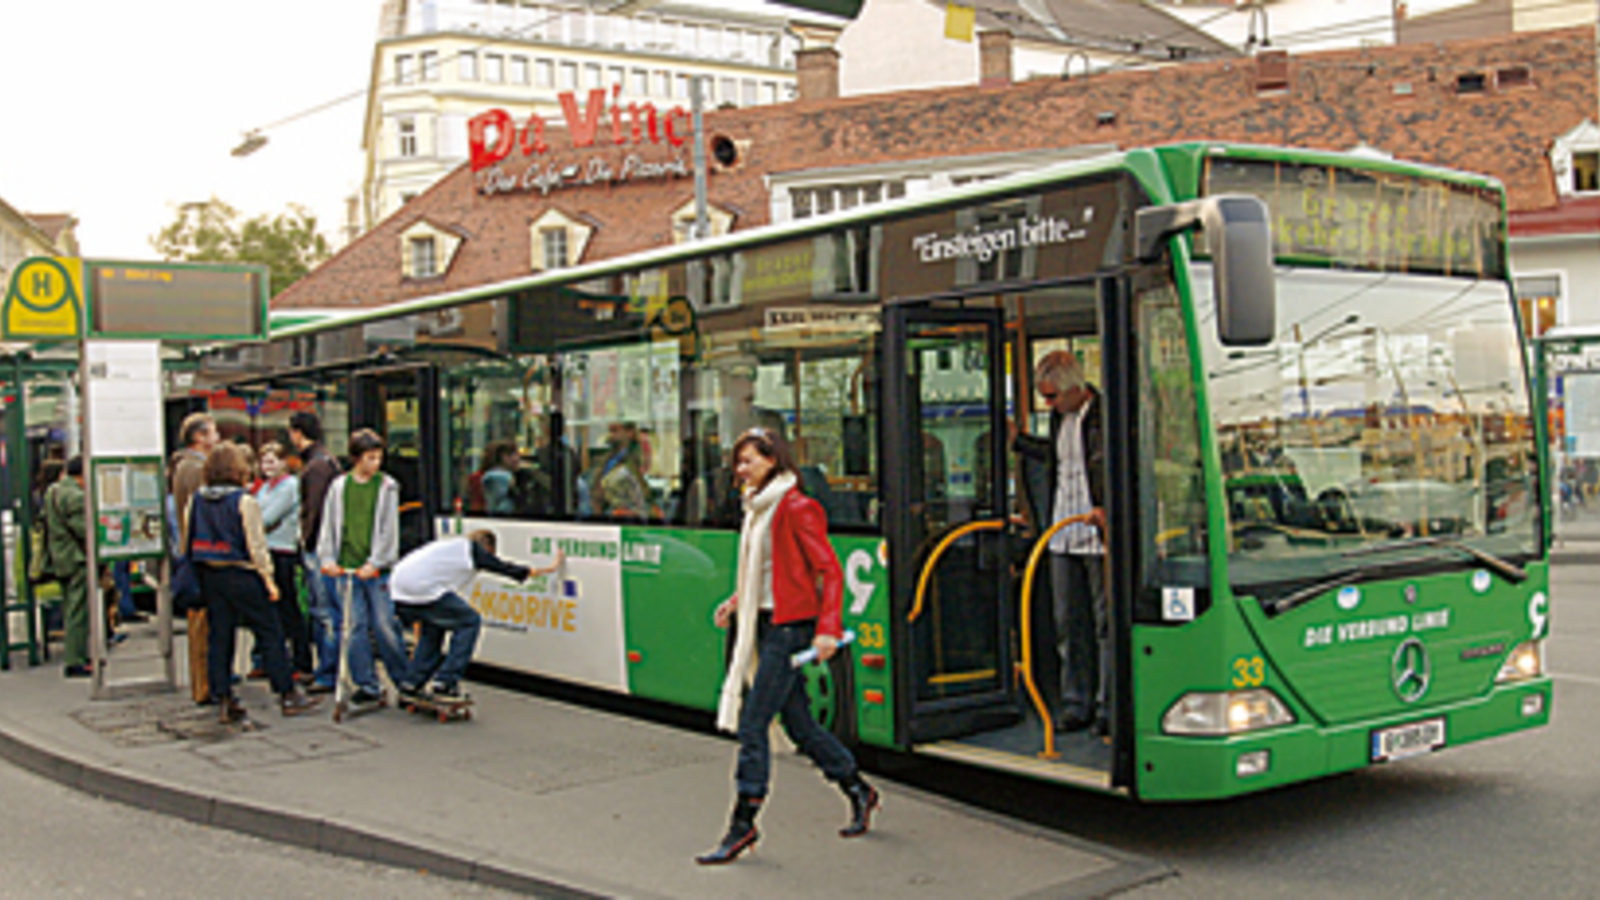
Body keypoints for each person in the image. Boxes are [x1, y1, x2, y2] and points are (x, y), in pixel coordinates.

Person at [696, 427, 879, 866]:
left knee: (753, 722)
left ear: (773, 461)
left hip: (789, 628)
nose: (741, 469)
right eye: (738, 461)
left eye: (750, 461)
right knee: (799, 724)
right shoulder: (755, 508)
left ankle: (743, 824)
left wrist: (828, 630)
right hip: (761, 622)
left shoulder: (797, 507)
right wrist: (737, 602)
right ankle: (858, 788)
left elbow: (829, 571)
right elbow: (766, 572)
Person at [187, 443, 320, 722]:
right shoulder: (243, 501)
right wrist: (268, 579)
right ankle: (287, 693)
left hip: (211, 575)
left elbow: (190, 537)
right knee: (270, 632)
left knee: (220, 637)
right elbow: (256, 544)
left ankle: (223, 697)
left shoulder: (196, 499)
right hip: (244, 573)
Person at [1012, 350, 1108, 736]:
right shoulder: (1059, 420)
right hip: (1061, 532)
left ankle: (1106, 704)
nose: (1048, 404)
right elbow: (1056, 461)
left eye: (1052, 397)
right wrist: (1019, 442)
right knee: (1067, 622)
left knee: (1103, 623)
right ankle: (1075, 701)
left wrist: (1105, 509)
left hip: (1096, 532)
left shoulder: (1103, 417)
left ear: (1074, 389)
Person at [390, 530, 562, 701]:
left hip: (399, 588)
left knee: (434, 627)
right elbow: (509, 570)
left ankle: (412, 682)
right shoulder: (475, 551)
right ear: (487, 547)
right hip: (421, 588)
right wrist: (551, 568)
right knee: (470, 621)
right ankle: (445, 682)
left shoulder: (453, 547)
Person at [316, 428, 408, 708]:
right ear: (356, 458)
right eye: (370, 457)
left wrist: (377, 562)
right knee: (353, 627)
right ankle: (367, 683)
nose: (375, 463)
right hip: (348, 568)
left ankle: (404, 681)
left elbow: (388, 530)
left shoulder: (387, 486)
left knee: (384, 625)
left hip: (375, 570)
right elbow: (329, 526)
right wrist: (327, 559)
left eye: (378, 457)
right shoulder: (339, 487)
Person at [288, 411, 342, 695]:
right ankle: (328, 670)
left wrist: (306, 544)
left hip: (319, 551)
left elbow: (315, 512)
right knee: (326, 612)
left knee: (324, 613)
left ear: (297, 433)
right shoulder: (324, 461)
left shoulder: (316, 467)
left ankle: (327, 672)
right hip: (324, 548)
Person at [170, 412, 220, 703]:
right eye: (212, 432)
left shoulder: (182, 466)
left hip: (192, 549)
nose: (217, 437)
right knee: (203, 621)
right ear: (199, 437)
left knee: (200, 620)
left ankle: (204, 681)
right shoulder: (195, 468)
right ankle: (205, 683)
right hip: (201, 552)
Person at [256, 441, 311, 680]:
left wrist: (256, 521)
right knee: (270, 611)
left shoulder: (289, 486)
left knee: (289, 608)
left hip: (284, 551)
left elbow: (265, 518)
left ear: (284, 462)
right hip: (267, 551)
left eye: (272, 461)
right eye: (264, 461)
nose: (267, 466)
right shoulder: (265, 488)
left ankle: (302, 661)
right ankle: (274, 660)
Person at [44, 457, 91, 678]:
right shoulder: (76, 496)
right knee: (78, 611)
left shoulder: (53, 491)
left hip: (59, 558)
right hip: (76, 558)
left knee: (70, 607)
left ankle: (77, 654)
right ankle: (76, 659)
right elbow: (85, 531)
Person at [589, 422, 647, 519]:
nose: (611, 435)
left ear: (629, 432)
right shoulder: (609, 457)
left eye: (615, 431)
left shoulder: (633, 458)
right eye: (610, 431)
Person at [470, 440, 519, 515]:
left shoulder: (494, 475)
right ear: (505, 457)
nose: (518, 459)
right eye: (515, 455)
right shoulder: (495, 476)